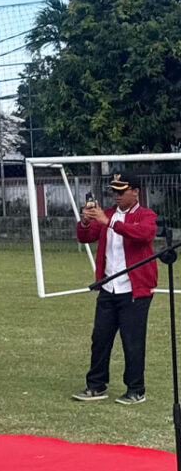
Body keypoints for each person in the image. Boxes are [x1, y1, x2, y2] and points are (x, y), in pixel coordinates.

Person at [73, 172, 157, 405]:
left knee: (132, 342)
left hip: (134, 291)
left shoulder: (145, 215)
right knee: (100, 339)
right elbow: (86, 237)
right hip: (109, 288)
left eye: (121, 191)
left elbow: (143, 234)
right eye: (114, 191)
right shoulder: (107, 214)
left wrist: (109, 222)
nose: (116, 196)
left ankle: (136, 390)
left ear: (136, 191)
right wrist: (86, 221)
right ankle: (96, 386)